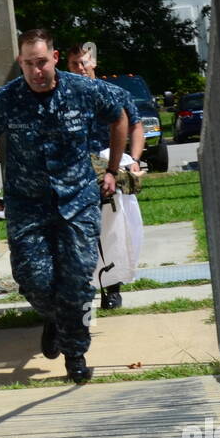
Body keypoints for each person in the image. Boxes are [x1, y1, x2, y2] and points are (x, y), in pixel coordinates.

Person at [0, 29, 127, 383]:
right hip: (27, 204)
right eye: (28, 63)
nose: (36, 70)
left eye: (42, 62)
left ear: (55, 58)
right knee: (33, 279)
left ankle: (75, 355)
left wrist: (112, 170)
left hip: (77, 201)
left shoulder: (83, 89)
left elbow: (119, 117)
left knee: (77, 283)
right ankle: (57, 318)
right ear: (21, 62)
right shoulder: (6, 99)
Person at [66, 42, 146, 310]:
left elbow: (135, 126)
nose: (80, 67)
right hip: (73, 170)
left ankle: (112, 287)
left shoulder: (115, 93)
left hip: (108, 167)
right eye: (74, 63)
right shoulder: (61, 96)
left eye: (84, 62)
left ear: (94, 63)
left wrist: (133, 160)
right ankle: (81, 288)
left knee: (112, 227)